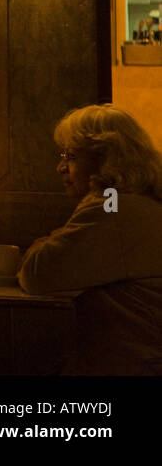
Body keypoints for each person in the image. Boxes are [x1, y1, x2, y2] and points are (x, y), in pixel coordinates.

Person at [18, 104, 162, 374]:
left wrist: (41, 244)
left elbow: (37, 273)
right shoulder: (143, 203)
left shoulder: (113, 208)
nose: (61, 167)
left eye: (71, 155)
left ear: (105, 159)